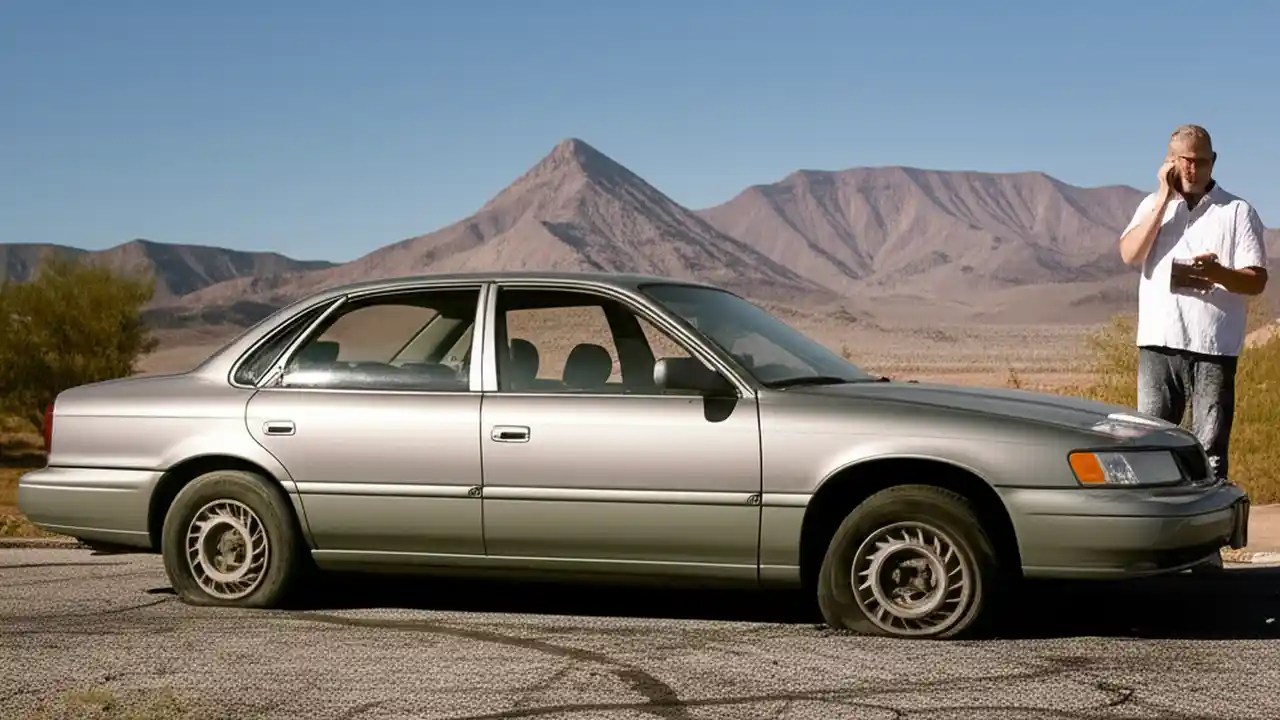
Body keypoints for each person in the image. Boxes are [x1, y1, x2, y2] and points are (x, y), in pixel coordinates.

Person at [1118, 124, 1268, 484]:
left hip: (1212, 348)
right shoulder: (1151, 206)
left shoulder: (1236, 211)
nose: (1192, 169)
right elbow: (1129, 254)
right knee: (1151, 443)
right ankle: (1159, 533)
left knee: (1209, 449)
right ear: (1169, 162)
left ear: (1213, 162)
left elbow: (1256, 280)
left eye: (1201, 161)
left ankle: (1207, 534)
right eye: (1185, 160)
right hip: (1159, 343)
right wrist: (1161, 198)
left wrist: (1218, 272)